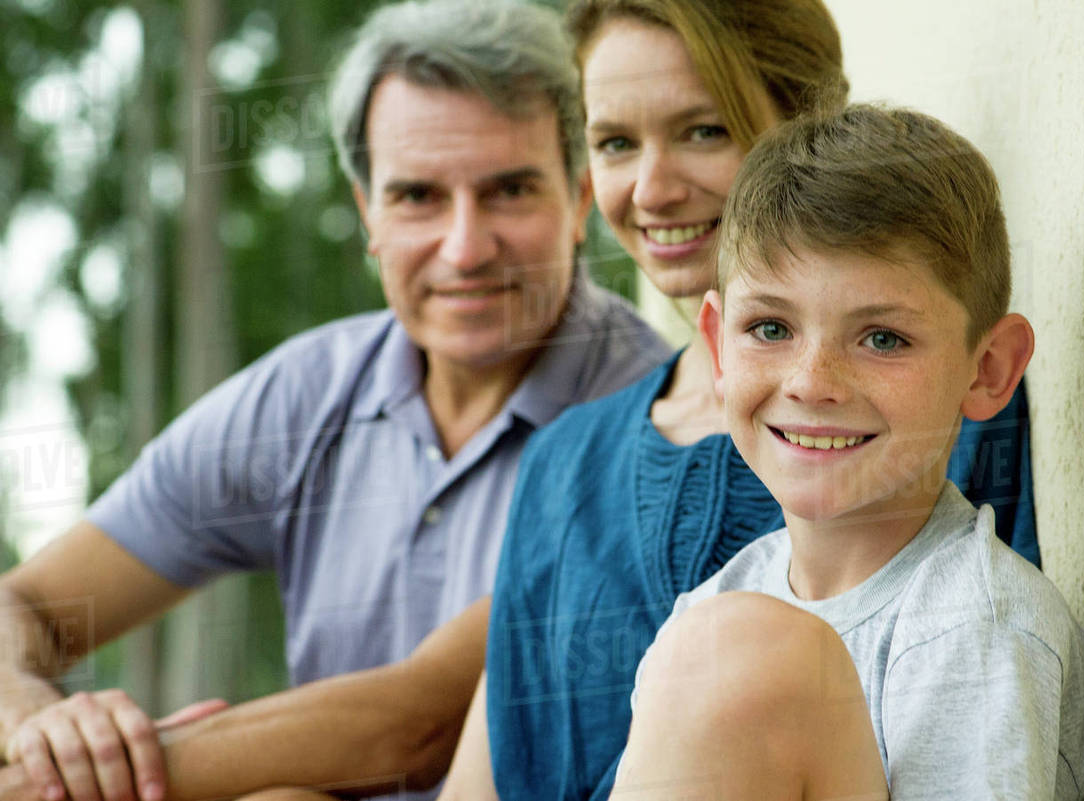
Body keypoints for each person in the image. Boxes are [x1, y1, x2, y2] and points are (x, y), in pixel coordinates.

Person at [0, 2, 669, 801]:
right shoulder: (308, 394)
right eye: (418, 196)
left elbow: (416, 726)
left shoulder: (653, 416)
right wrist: (31, 714)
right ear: (367, 214)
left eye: (509, 191)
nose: (464, 248)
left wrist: (79, 776)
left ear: (580, 197)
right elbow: (32, 603)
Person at [440, 1, 1041, 799]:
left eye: (704, 130)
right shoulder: (561, 466)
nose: (652, 188)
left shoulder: (918, 418)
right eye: (616, 141)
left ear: (805, 124)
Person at [612, 104, 1084, 800]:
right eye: (769, 327)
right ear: (716, 346)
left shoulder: (977, 626)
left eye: (882, 337)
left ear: (989, 369)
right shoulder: (713, 607)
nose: (812, 382)